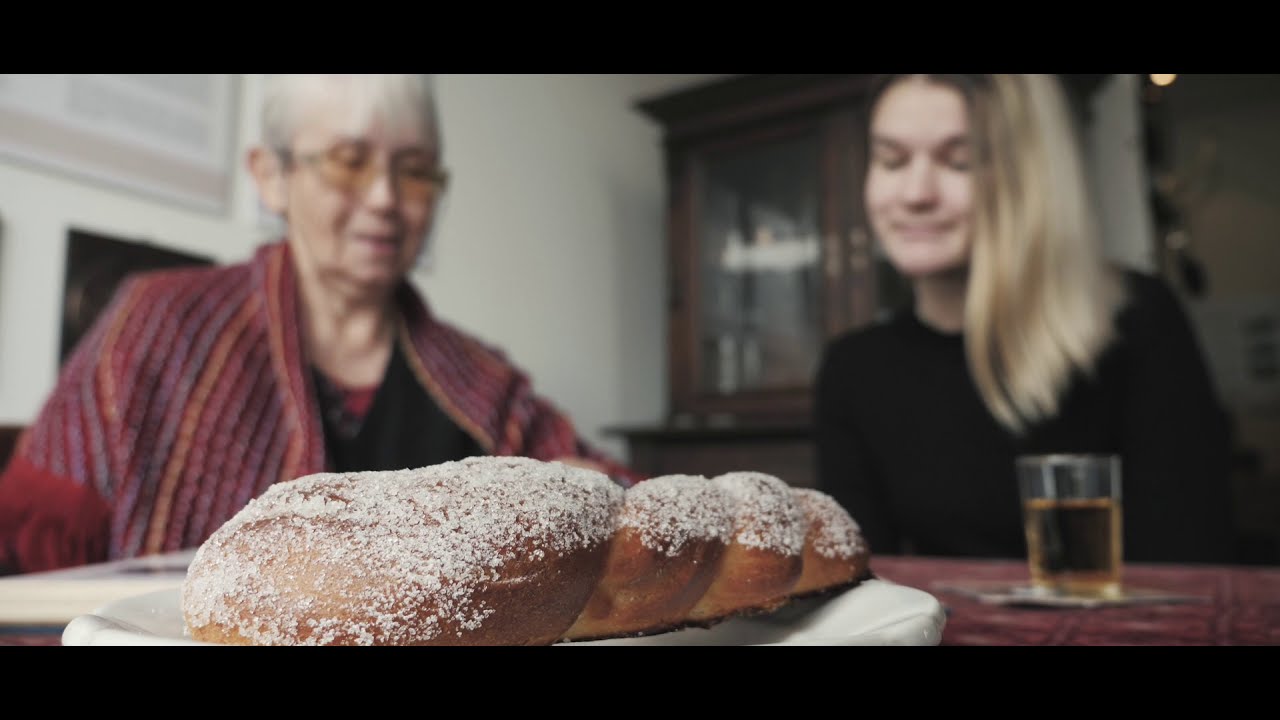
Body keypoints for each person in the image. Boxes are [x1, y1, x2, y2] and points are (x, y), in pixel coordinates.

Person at [0, 74, 642, 575]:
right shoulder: (157, 323)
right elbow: (29, 546)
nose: (387, 198)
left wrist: (592, 488)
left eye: (416, 170)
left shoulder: (485, 382)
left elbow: (618, 494)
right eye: (348, 159)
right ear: (271, 177)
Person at [815, 74, 1235, 563]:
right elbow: (861, 589)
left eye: (960, 162)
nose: (915, 193)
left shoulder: (1137, 320)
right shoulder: (854, 368)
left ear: (1030, 176)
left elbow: (1190, 566)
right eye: (891, 160)